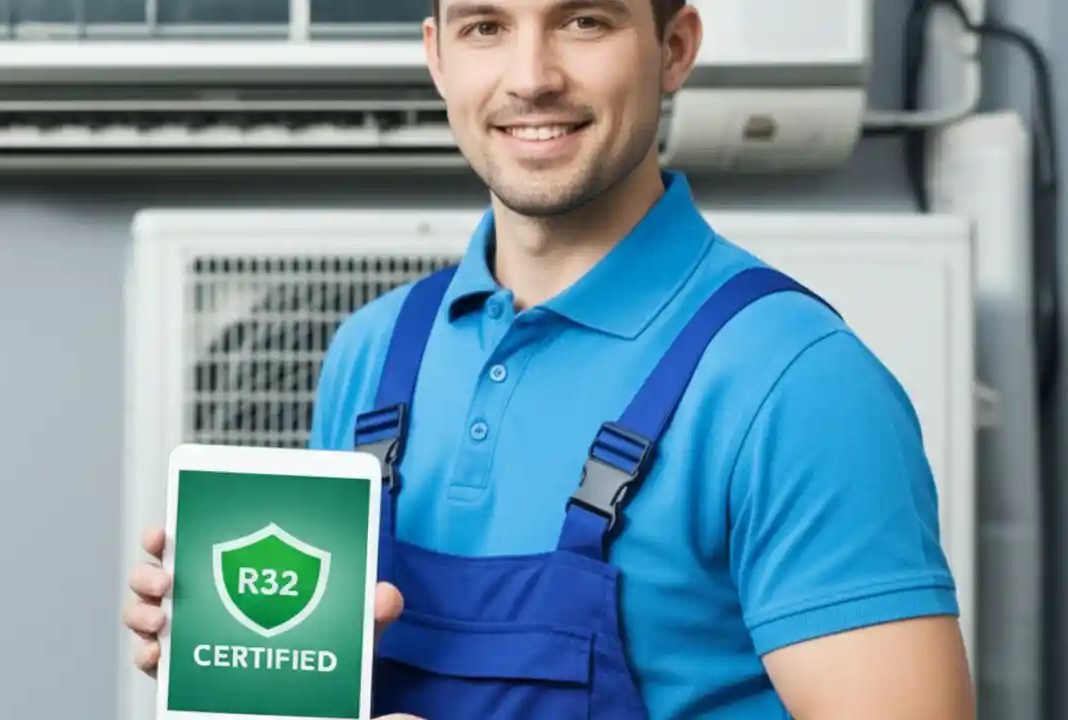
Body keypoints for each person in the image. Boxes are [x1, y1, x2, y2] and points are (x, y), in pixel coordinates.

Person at [124, 1, 977, 717]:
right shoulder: (372, 352)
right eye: (486, 27)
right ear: (437, 57)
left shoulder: (798, 381)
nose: (530, 76)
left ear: (672, 49)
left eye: (583, 21)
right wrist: (242, 652)